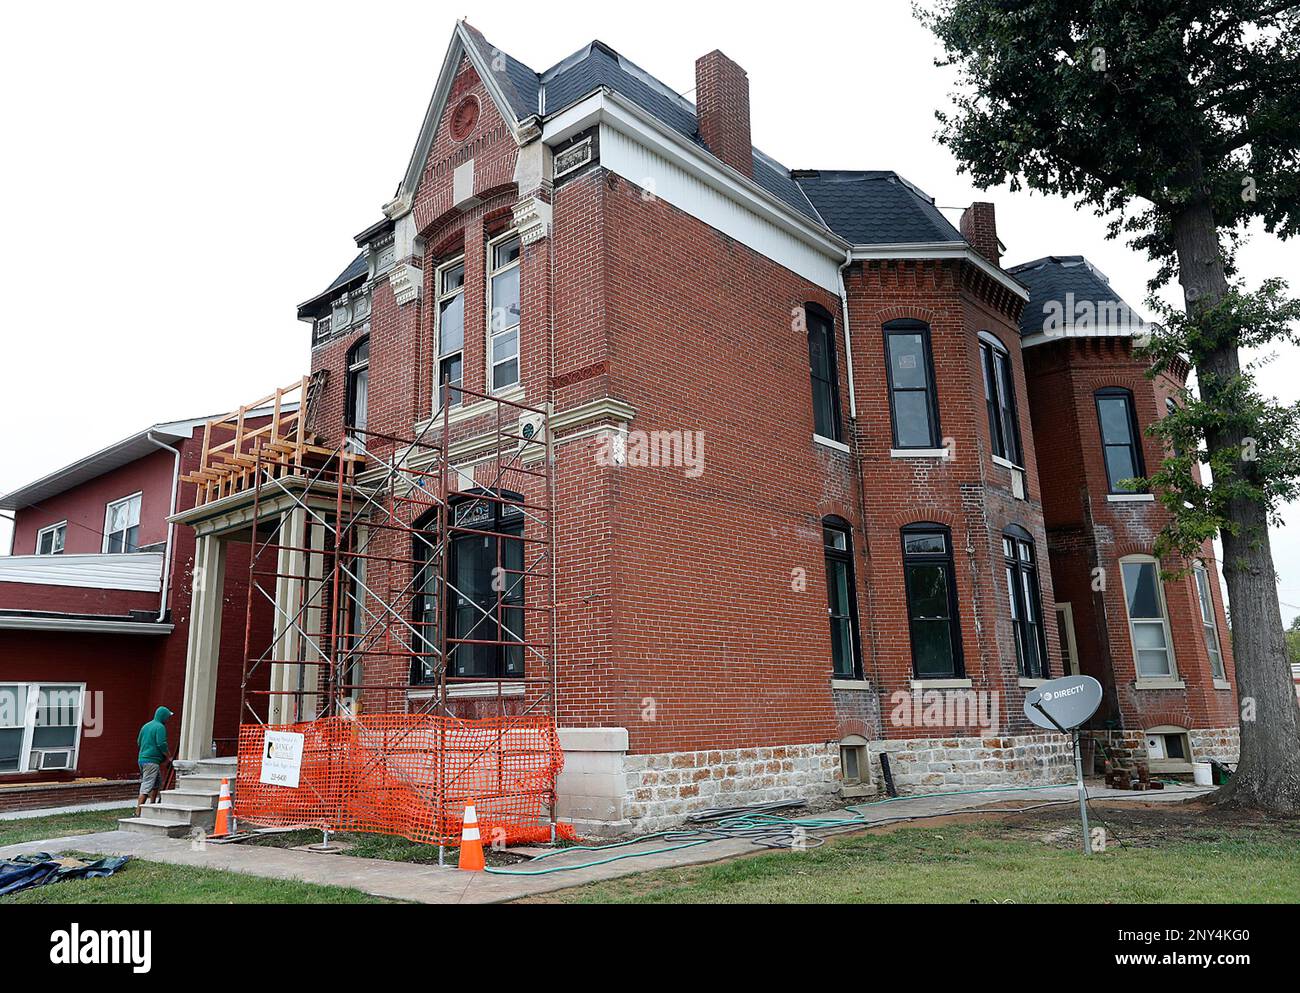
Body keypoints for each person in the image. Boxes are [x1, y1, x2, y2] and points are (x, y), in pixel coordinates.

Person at [135, 706, 173, 817]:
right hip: (151, 761)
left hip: (142, 760)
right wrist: (168, 756)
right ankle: (138, 811)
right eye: (167, 717)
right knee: (147, 785)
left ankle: (152, 805)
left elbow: (139, 741)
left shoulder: (146, 726)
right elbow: (161, 744)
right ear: (163, 716)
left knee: (156, 783)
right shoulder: (160, 727)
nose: (168, 719)